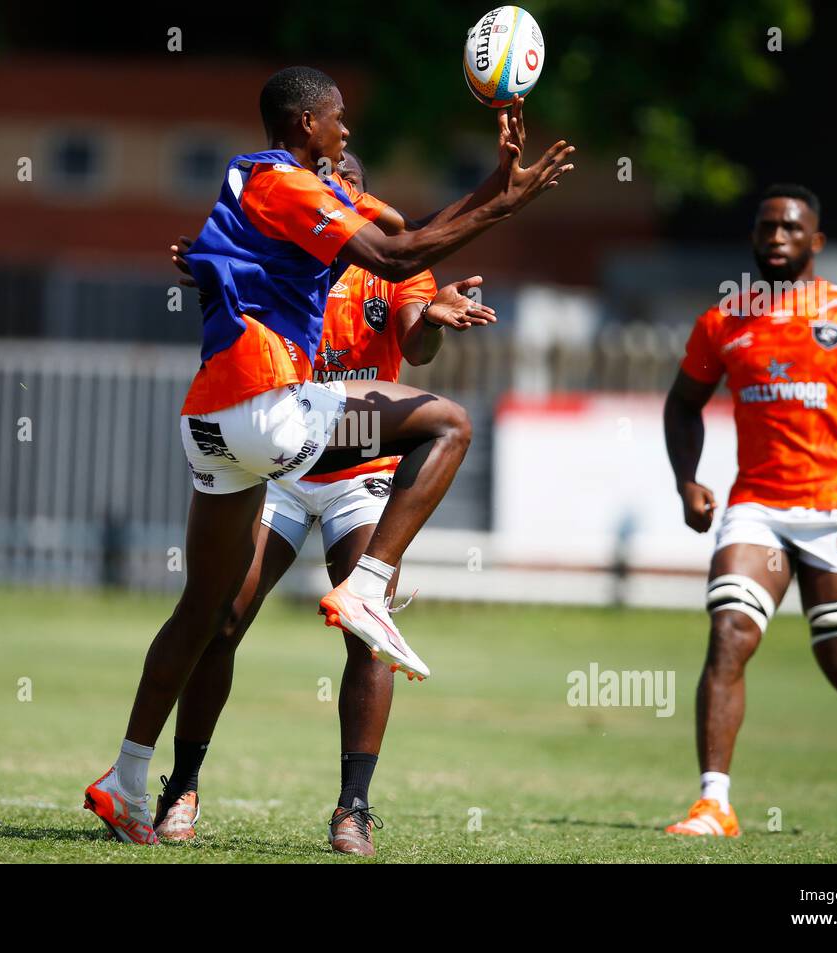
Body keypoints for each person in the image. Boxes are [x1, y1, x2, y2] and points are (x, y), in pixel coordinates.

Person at [84, 65, 575, 845]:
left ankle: (126, 781)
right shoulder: (291, 186)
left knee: (201, 610)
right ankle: (367, 589)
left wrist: (491, 192)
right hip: (274, 417)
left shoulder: (250, 184)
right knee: (449, 425)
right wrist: (506, 201)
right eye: (337, 117)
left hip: (215, 425)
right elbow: (399, 253)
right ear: (306, 125)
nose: (346, 129)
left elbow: (404, 244)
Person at [156, 152, 496, 855]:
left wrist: (432, 319)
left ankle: (354, 808)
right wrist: (212, 269)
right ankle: (181, 786)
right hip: (281, 462)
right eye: (324, 183)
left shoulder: (393, 257)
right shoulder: (278, 244)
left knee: (369, 630)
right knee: (223, 618)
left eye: (346, 185)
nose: (333, 193)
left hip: (359, 462)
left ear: (361, 197)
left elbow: (416, 347)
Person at [662, 183, 837, 837]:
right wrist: (687, 481)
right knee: (729, 635)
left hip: (836, 508)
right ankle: (714, 803)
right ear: (752, 238)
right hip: (756, 506)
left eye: (790, 228)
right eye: (766, 227)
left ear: (815, 241)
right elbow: (682, 403)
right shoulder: (723, 322)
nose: (777, 237)